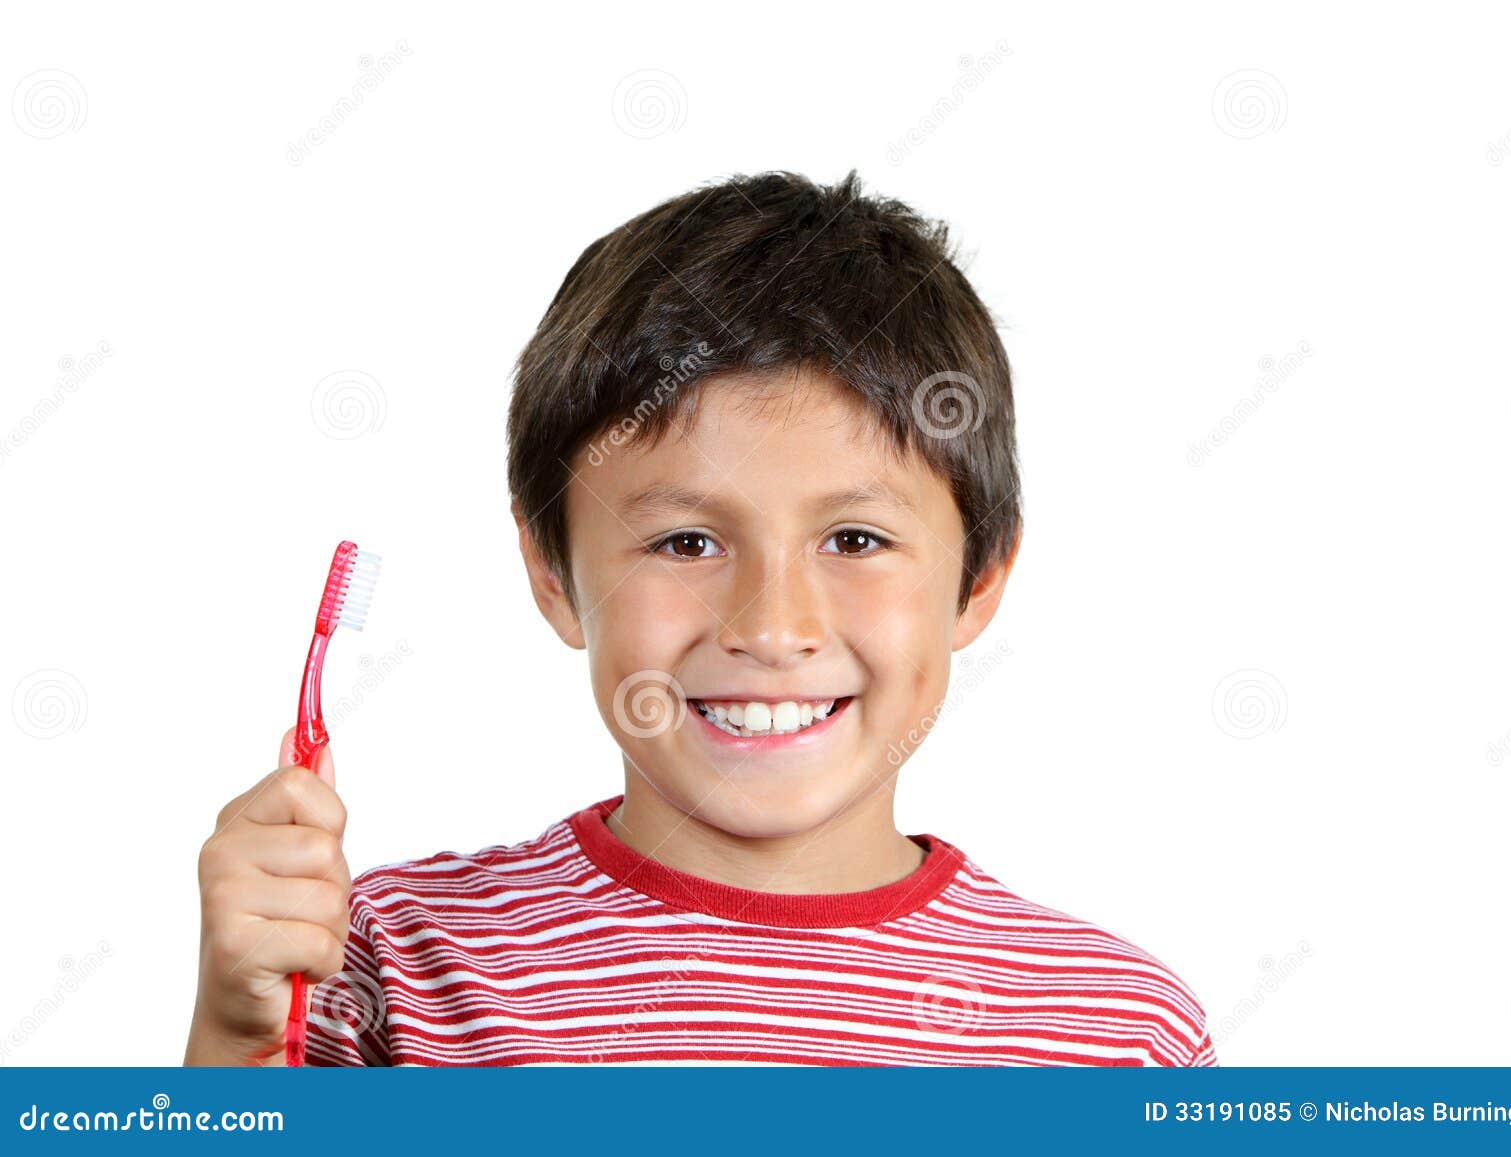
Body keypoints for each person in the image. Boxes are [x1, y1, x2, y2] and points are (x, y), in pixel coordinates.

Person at [184, 171, 1216, 1067]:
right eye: (686, 542)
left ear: (979, 576)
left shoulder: (1119, 1032)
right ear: (551, 572)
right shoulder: (391, 964)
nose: (771, 627)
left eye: (854, 540)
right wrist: (236, 1036)